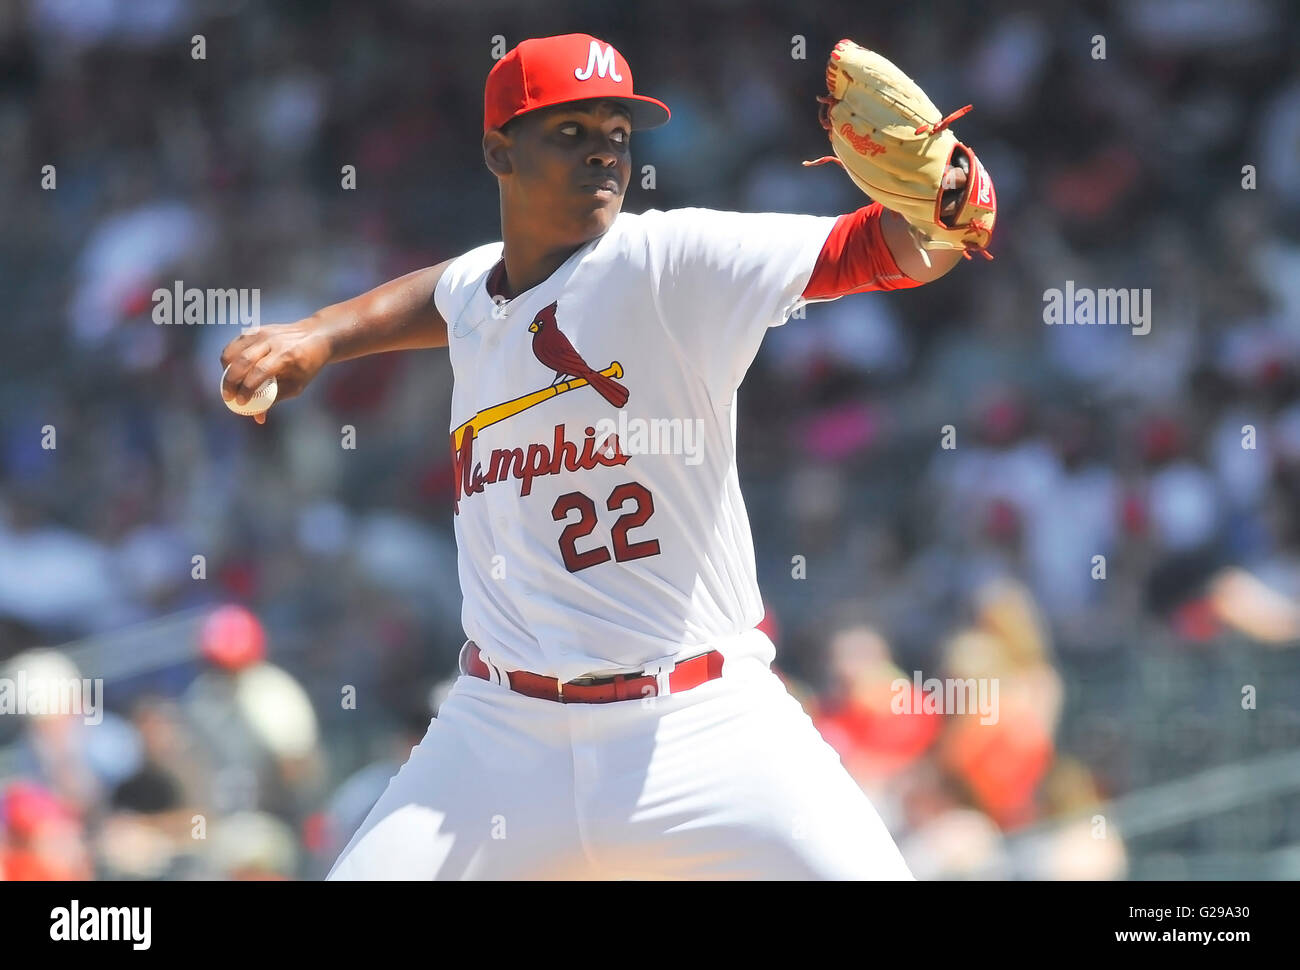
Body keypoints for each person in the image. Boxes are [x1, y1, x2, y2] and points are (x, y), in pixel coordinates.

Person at [221, 33, 988, 879]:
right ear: (498, 151)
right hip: (501, 731)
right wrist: (317, 336)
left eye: (617, 134)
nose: (603, 153)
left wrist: (948, 203)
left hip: (703, 723)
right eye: (571, 131)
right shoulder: (479, 292)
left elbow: (876, 251)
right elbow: (449, 293)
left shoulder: (670, 261)